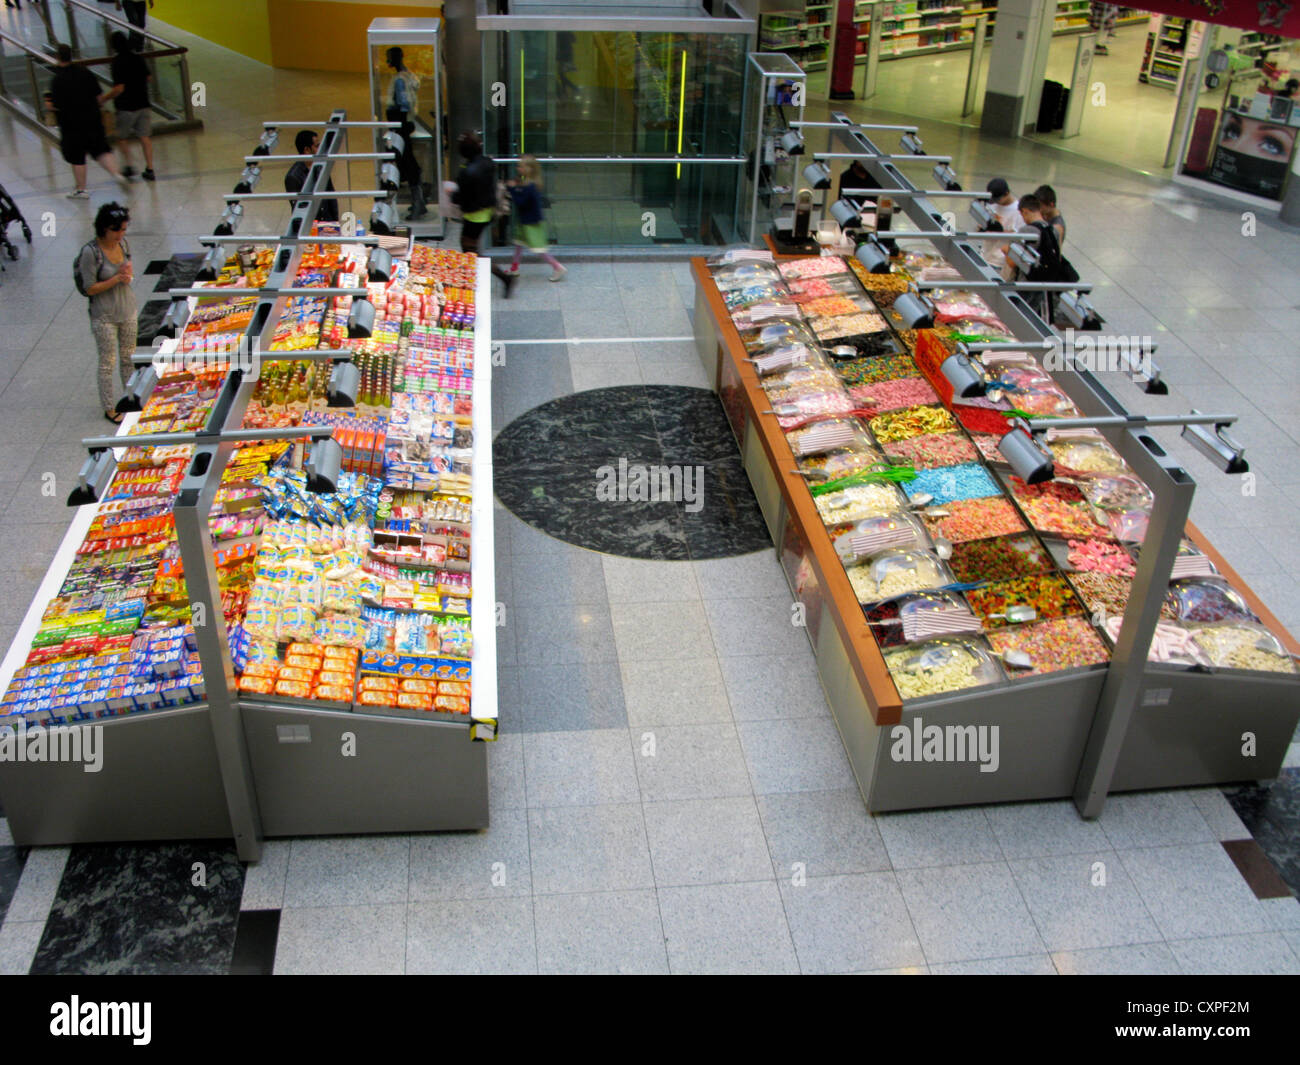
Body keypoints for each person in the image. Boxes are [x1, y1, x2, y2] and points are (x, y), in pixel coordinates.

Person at [79, 202, 136, 423]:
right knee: (108, 361)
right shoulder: (90, 253)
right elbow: (89, 288)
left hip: (127, 308)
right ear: (104, 228)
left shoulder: (124, 244)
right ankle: (110, 407)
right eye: (116, 230)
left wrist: (127, 276)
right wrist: (115, 279)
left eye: (123, 229)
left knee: (129, 357)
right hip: (104, 315)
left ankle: (131, 398)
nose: (121, 234)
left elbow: (128, 276)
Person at [47, 44, 126, 198]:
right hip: (92, 119)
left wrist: (48, 105)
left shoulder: (57, 80)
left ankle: (81, 189)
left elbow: (55, 105)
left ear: (57, 58)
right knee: (101, 149)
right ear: (71, 55)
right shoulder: (85, 72)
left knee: (77, 157)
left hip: (71, 124)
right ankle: (117, 174)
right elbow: (99, 97)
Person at [451, 132, 514, 297]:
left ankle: (503, 277)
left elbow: (460, 198)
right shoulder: (488, 162)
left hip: (473, 217)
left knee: (470, 253)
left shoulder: (467, 172)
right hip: (488, 212)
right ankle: (474, 282)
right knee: (470, 251)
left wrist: (452, 193)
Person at [100, 31, 154, 181]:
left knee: (122, 137)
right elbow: (149, 78)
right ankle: (150, 168)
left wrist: (104, 98)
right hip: (143, 103)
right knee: (145, 136)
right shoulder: (138, 58)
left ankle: (129, 166)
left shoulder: (117, 62)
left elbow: (119, 88)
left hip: (126, 106)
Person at [1003, 193, 1062, 321]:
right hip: (1043, 287)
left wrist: (1006, 250)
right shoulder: (1053, 231)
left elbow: (1012, 262)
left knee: (1015, 320)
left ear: (1025, 211)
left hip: (1023, 286)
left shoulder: (1026, 231)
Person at [385, 47, 427, 220]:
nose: (387, 60)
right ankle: (420, 203)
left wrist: (397, 123)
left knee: (409, 164)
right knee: (408, 162)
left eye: (389, 57)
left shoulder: (400, 79)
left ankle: (419, 203)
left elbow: (404, 104)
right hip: (403, 123)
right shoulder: (406, 74)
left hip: (401, 124)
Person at [507, 155, 565, 282]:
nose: (518, 168)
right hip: (526, 220)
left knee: (539, 248)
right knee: (519, 244)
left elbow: (520, 202)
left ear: (528, 169)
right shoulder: (530, 184)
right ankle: (514, 268)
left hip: (530, 222)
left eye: (520, 166)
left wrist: (512, 189)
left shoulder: (529, 186)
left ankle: (557, 266)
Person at [284, 129, 339, 223]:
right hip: (310, 228)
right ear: (307, 150)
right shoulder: (293, 177)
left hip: (328, 224)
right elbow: (299, 209)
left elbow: (331, 195)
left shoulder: (321, 166)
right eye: (317, 146)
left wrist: (335, 221)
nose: (321, 149)